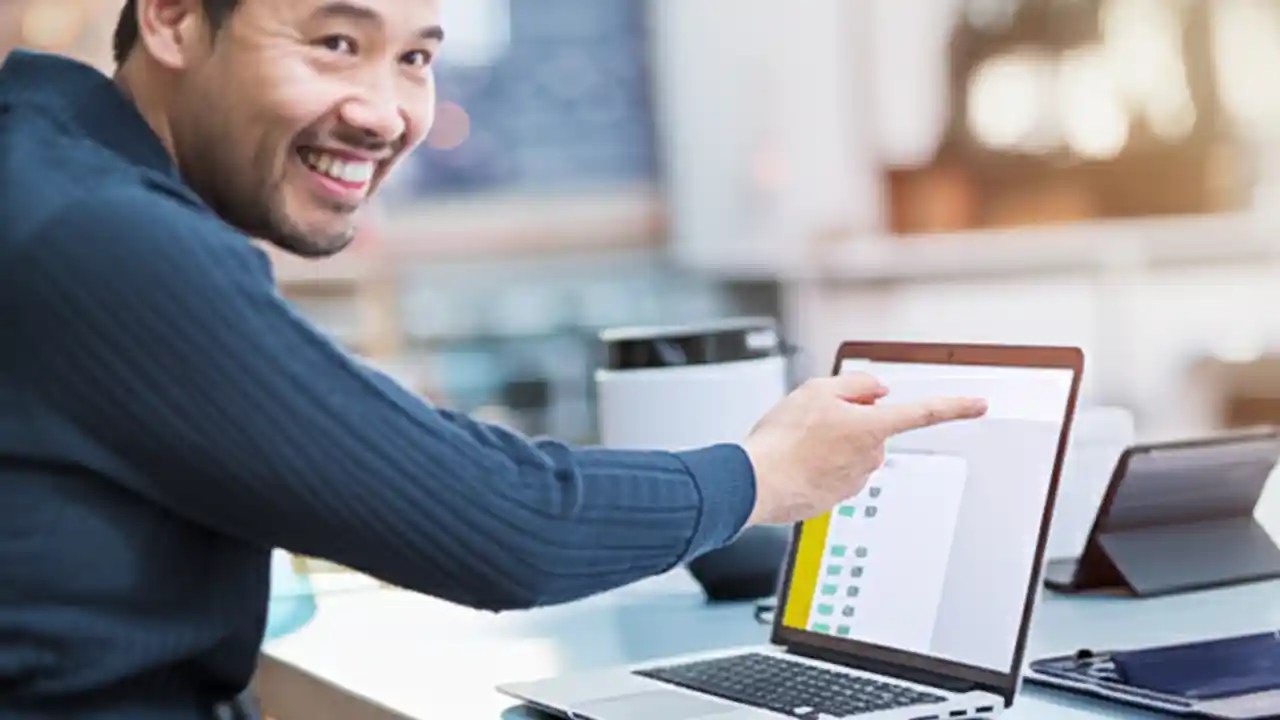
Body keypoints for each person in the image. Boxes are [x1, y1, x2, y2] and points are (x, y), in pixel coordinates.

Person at [0, 0, 987, 717]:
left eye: (416, 59)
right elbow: (498, 526)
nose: (386, 112)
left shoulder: (46, 170)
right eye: (335, 42)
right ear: (172, 17)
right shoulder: (97, 232)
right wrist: (762, 475)